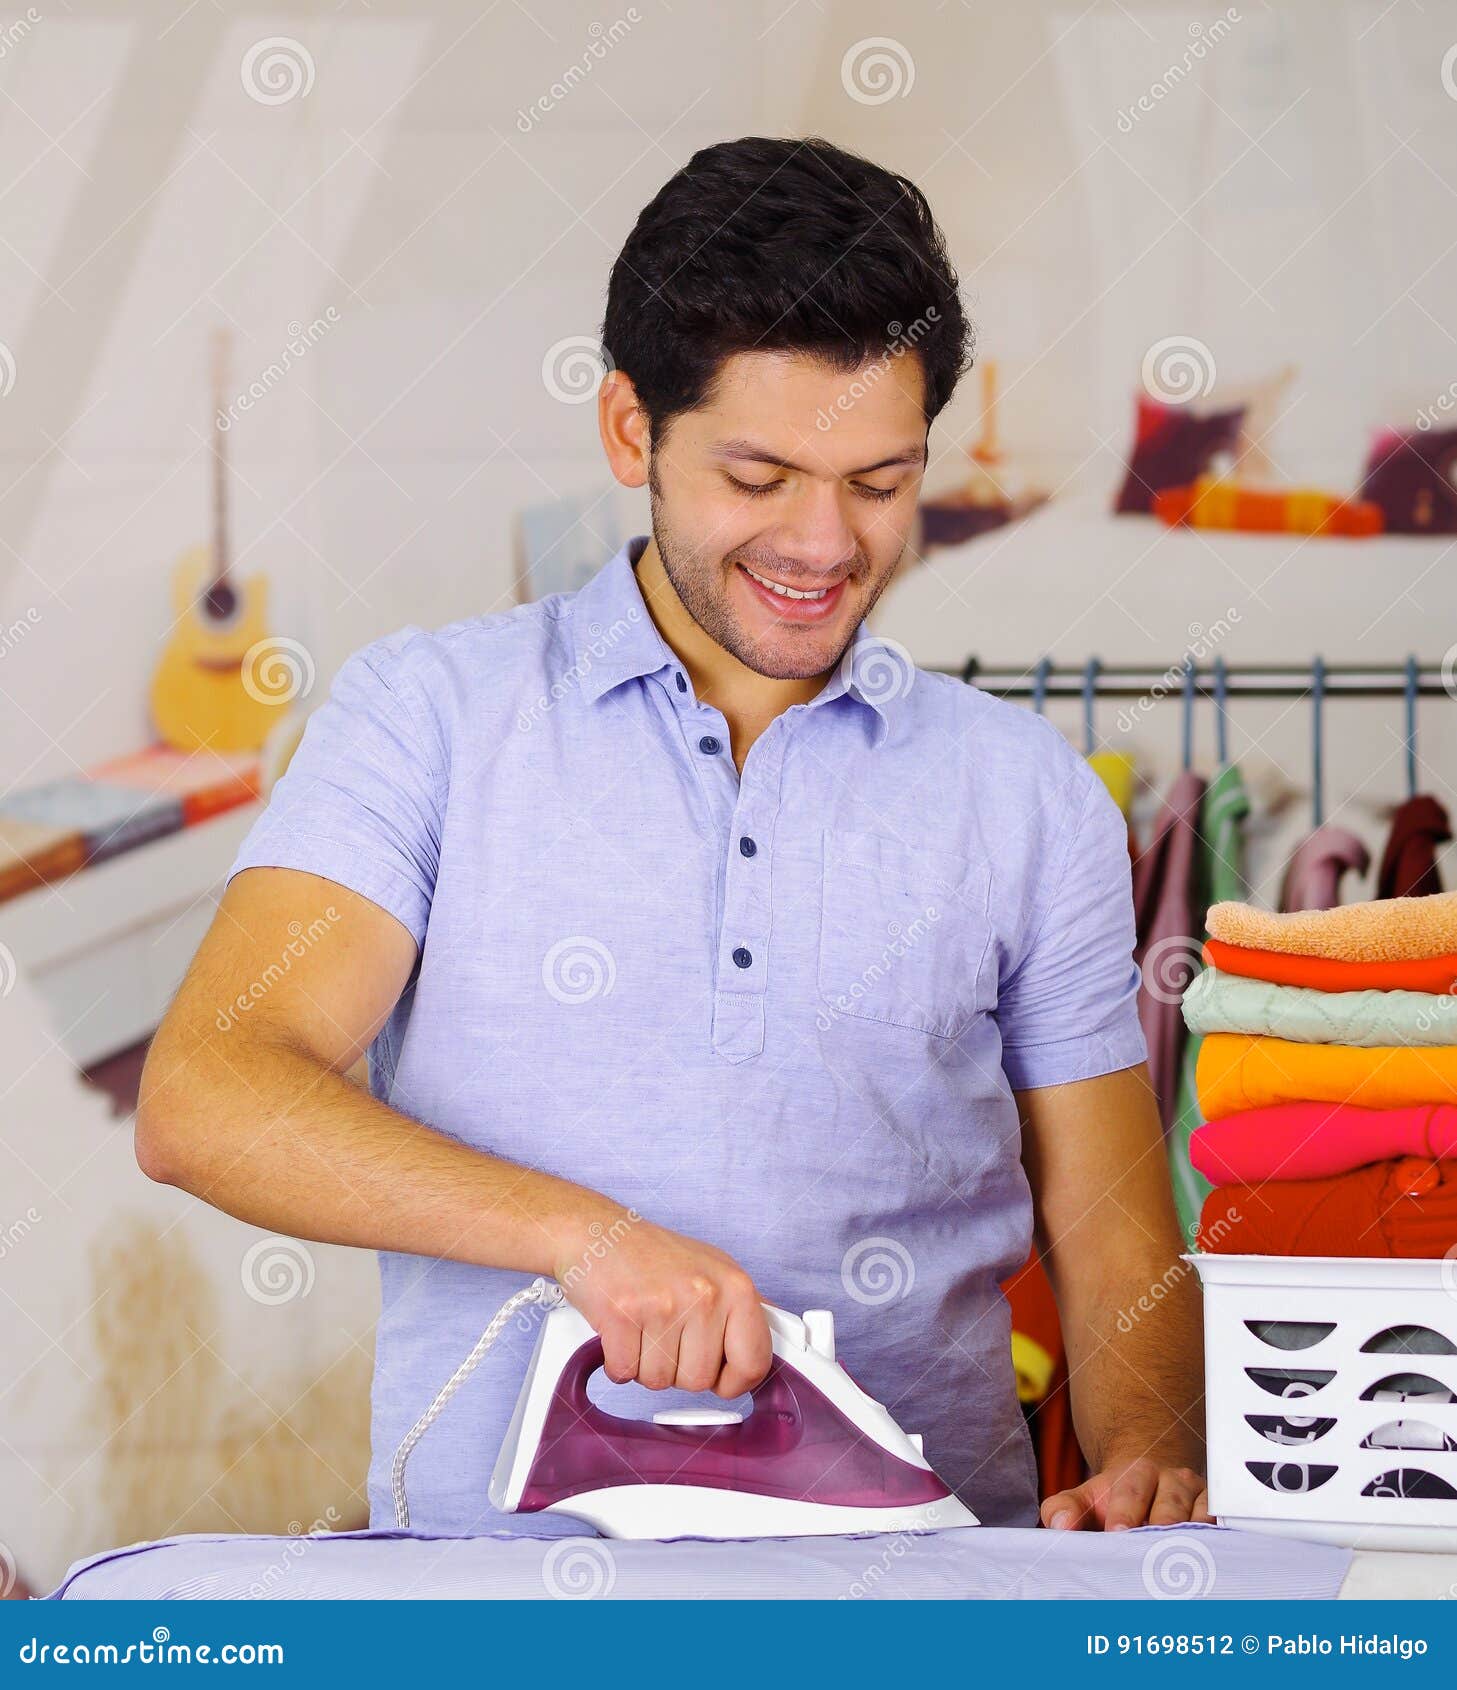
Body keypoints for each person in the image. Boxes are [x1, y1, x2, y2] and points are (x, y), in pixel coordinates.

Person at [137, 136, 1209, 1536]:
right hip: (494, 1594)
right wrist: (586, 1240)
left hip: (925, 1596)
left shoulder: (1024, 795)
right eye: (759, 477)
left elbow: (1116, 1231)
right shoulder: (429, 720)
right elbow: (206, 1091)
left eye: (879, 483)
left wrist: (1142, 1454)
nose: (823, 543)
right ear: (629, 430)